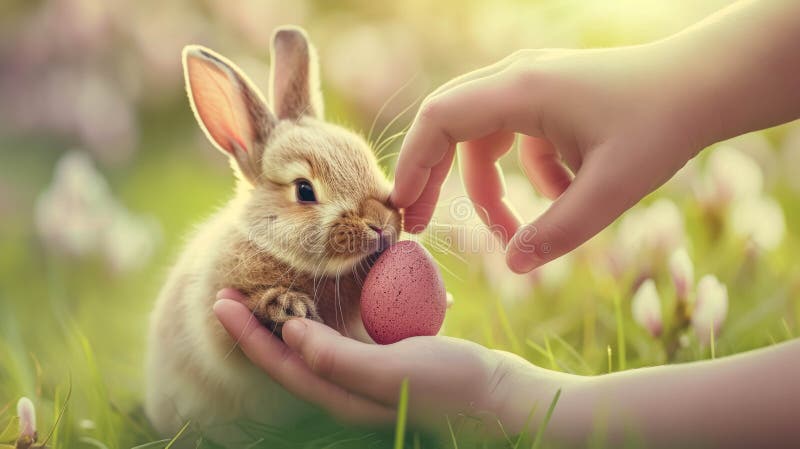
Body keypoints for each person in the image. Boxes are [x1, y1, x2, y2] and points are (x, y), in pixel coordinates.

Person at [213, 0, 800, 446]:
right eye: (309, 194)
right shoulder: (241, 257)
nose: (374, 223)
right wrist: (688, 84)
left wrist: (503, 397)